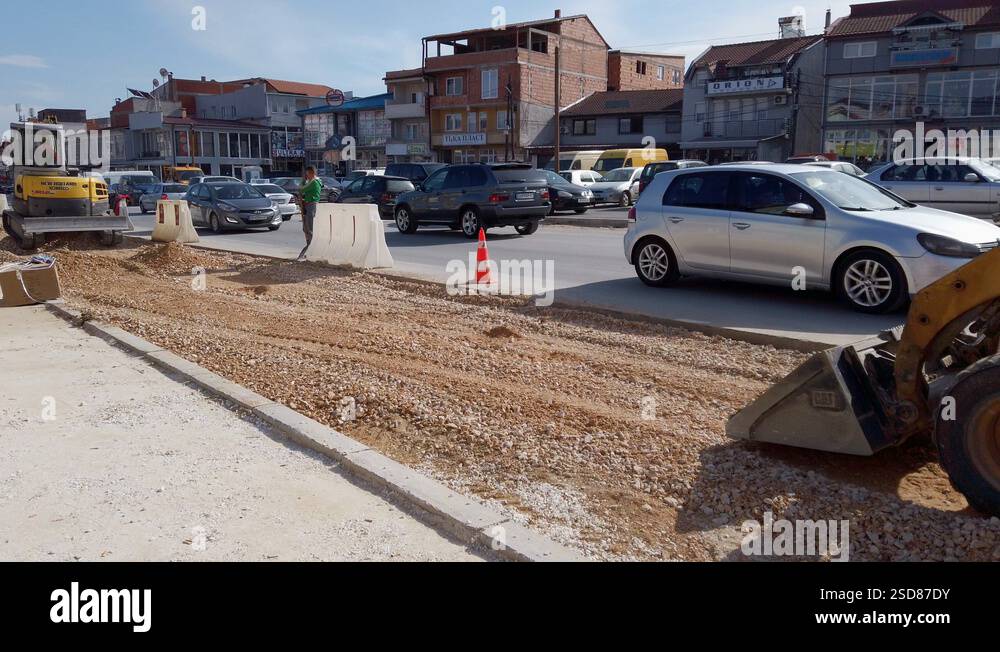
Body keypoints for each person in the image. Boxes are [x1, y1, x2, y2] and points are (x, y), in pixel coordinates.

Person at [297, 167, 323, 261]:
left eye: (307, 174)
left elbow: (300, 190)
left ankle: (310, 247)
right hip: (309, 205)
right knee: (306, 228)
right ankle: (309, 246)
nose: (306, 176)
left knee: (309, 228)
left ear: (311, 173)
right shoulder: (315, 181)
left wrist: (302, 181)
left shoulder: (313, 182)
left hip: (311, 205)